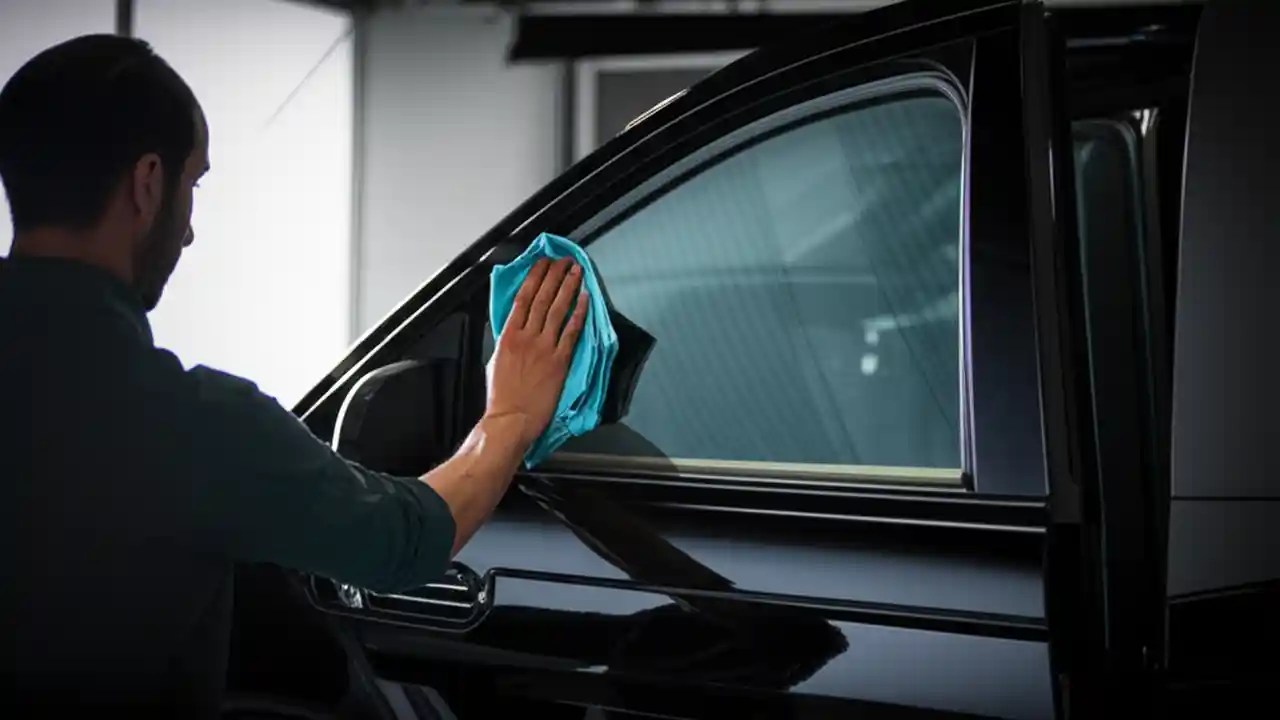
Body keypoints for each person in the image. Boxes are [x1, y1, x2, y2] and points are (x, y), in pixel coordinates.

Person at [0, 34, 587, 716]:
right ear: (148, 183)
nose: (188, 230)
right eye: (194, 184)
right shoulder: (196, 428)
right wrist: (509, 418)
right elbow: (405, 540)